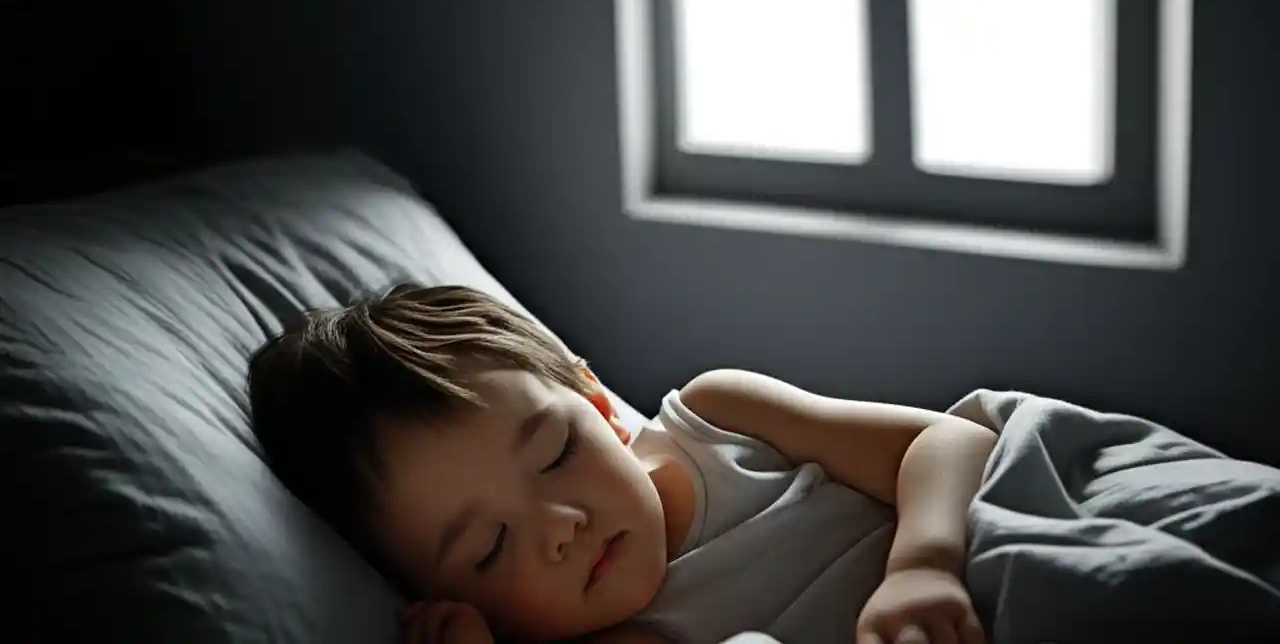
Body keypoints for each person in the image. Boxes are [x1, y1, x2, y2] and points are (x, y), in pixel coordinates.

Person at [248, 283, 998, 644]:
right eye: (492, 547)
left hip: (990, 555)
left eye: (556, 453)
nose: (562, 526)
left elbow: (954, 440)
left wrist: (923, 565)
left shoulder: (718, 419)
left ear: (599, 405)